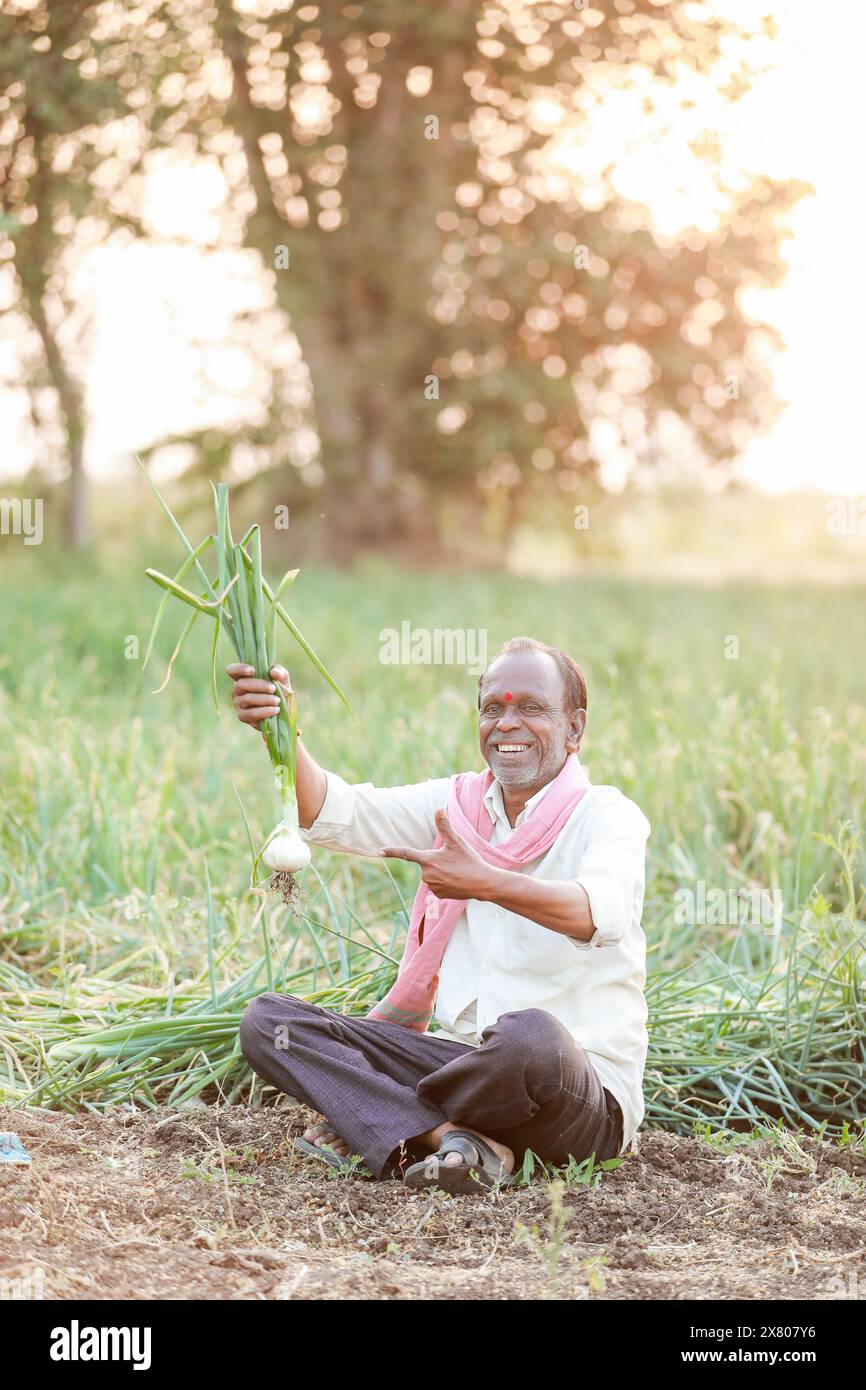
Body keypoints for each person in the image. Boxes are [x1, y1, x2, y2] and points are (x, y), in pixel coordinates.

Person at [230, 635, 650, 1194]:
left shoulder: (608, 816)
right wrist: (282, 730)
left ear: (575, 728)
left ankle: (381, 1118)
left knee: (529, 1037)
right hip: (463, 1064)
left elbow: (598, 914)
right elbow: (333, 811)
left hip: (575, 1098)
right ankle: (452, 1138)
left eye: (531, 708)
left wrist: (485, 882)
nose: (507, 723)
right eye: (492, 709)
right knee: (270, 1023)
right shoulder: (458, 807)